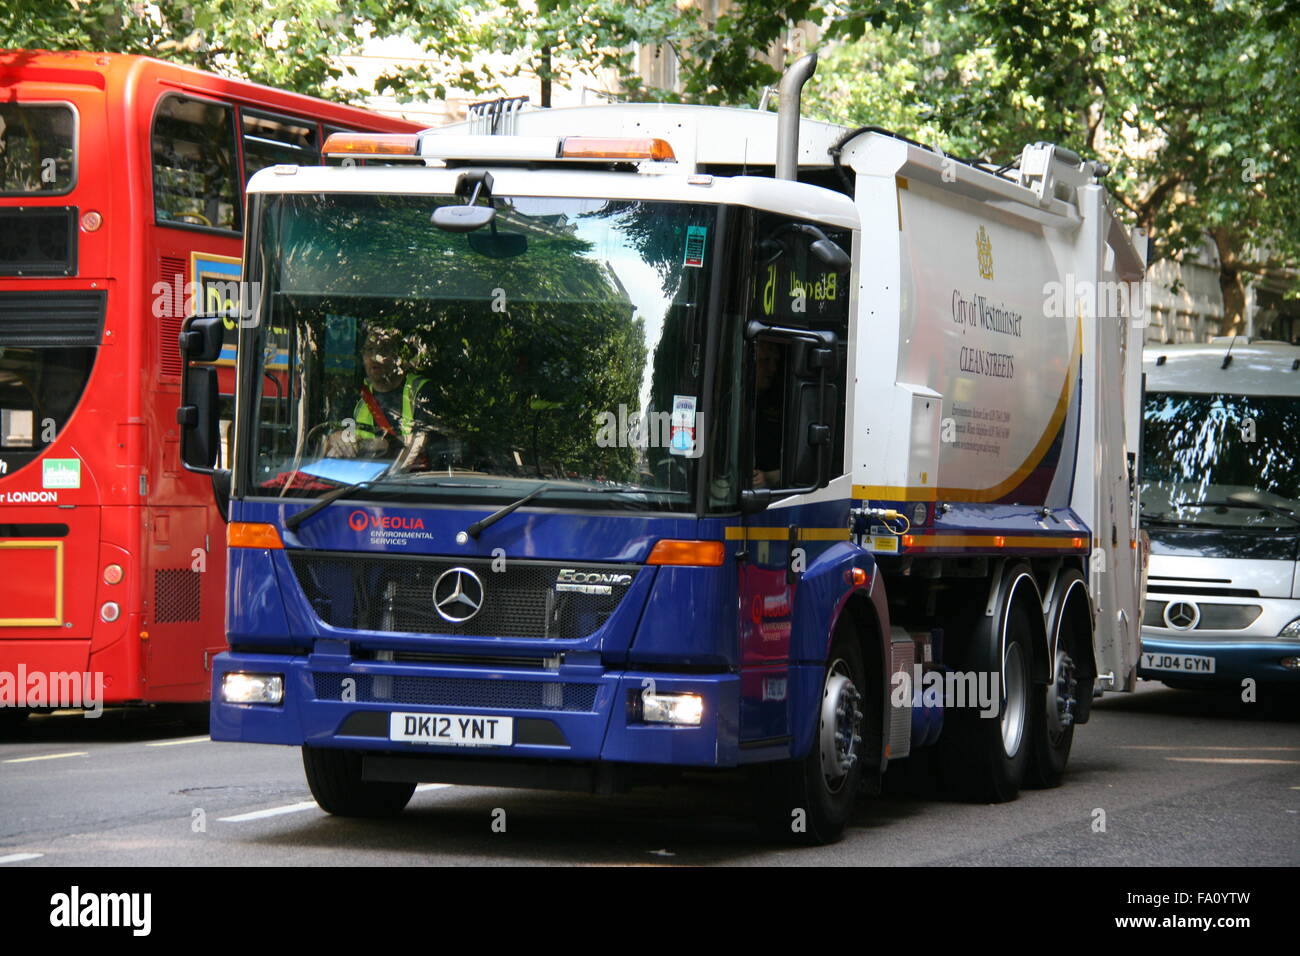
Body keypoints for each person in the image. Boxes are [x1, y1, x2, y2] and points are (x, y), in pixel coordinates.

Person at [324, 328, 443, 463]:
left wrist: (384, 445)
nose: (375, 357)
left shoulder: (421, 391)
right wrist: (335, 439)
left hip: (409, 479)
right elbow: (328, 444)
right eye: (369, 350)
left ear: (398, 356)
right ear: (362, 356)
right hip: (359, 480)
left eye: (384, 350)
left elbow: (424, 443)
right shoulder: (353, 396)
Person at [752, 339, 784, 488]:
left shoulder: (784, 402)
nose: (772, 368)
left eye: (775, 362)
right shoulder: (729, 402)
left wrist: (767, 477)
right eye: (764, 361)